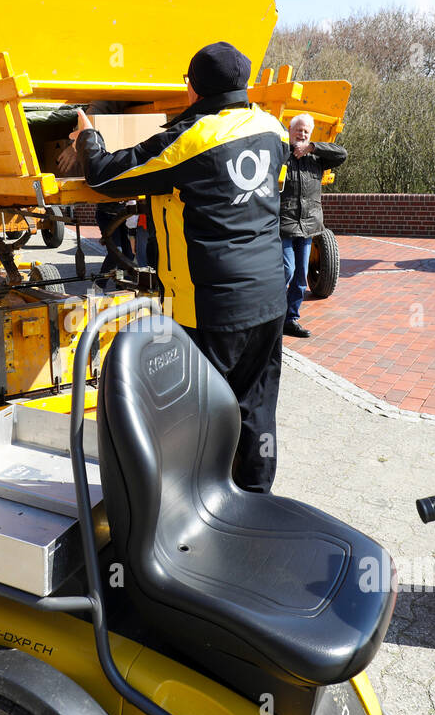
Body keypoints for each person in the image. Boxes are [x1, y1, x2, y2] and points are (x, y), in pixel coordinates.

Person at [71, 41, 288, 493]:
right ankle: (256, 497)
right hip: (270, 298)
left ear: (191, 89)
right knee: (256, 404)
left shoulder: (191, 139)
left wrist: (87, 137)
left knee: (199, 412)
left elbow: (107, 175)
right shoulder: (272, 128)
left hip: (212, 305)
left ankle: (201, 508)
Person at [279, 114, 346, 338]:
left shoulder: (317, 159)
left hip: (308, 226)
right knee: (286, 271)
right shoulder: (280, 154)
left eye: (306, 131)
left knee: (301, 276)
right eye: (298, 130)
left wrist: (313, 148)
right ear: (290, 131)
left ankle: (291, 320)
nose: (302, 134)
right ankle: (274, 319)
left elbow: (341, 154)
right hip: (285, 224)